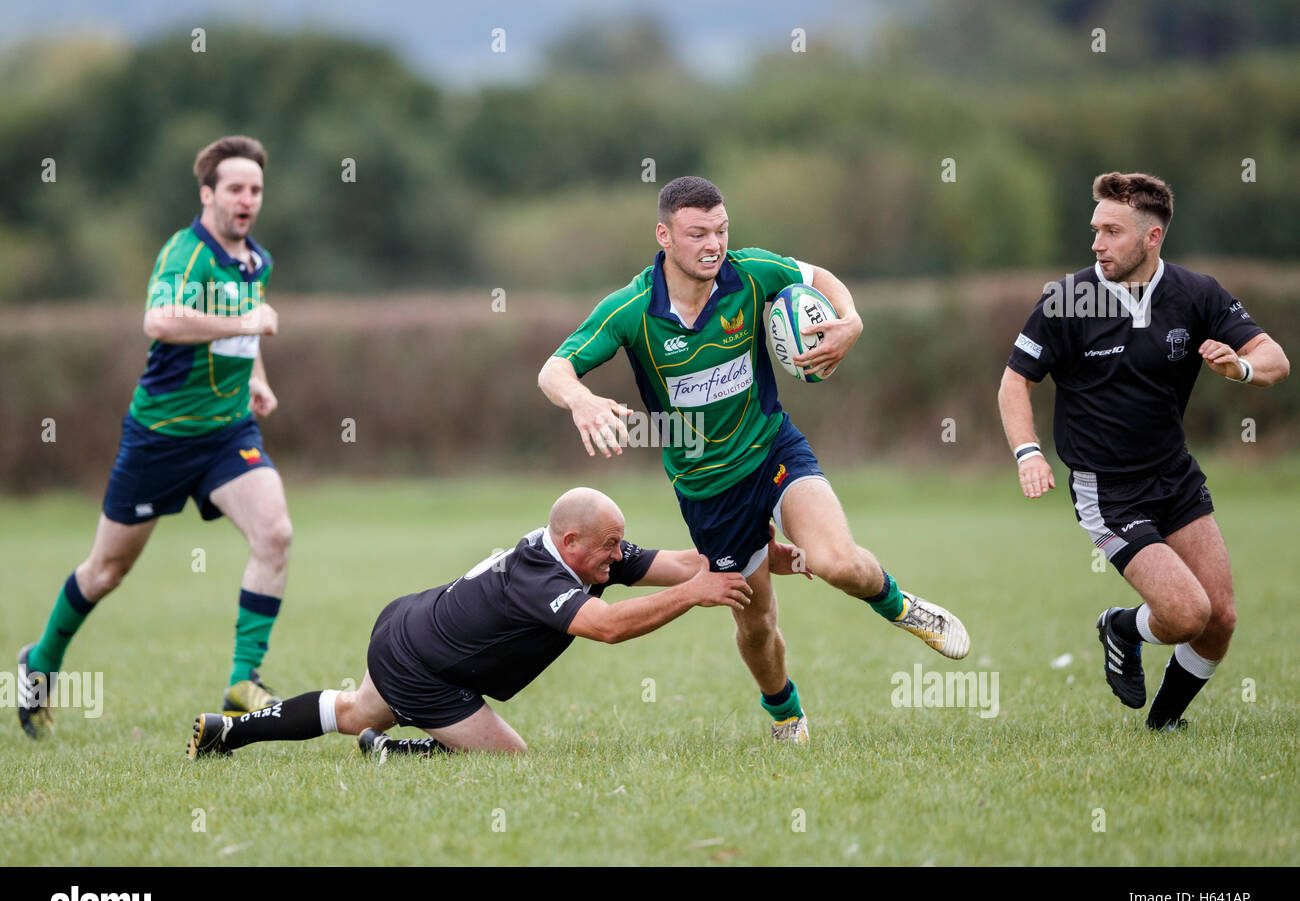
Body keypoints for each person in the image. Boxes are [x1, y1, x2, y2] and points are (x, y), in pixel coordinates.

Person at [537, 176, 970, 746]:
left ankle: (902, 606)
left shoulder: (752, 273)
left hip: (773, 449)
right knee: (757, 622)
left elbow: (819, 278)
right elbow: (554, 369)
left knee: (836, 561)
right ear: (664, 235)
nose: (712, 244)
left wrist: (852, 320)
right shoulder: (631, 309)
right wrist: (582, 399)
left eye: (720, 230)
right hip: (707, 489)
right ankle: (786, 716)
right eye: (697, 234)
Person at [18, 135, 291, 738]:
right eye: (235, 189)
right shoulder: (184, 255)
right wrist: (248, 321)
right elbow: (161, 321)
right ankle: (39, 664)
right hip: (160, 438)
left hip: (227, 434)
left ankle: (244, 681)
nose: (247, 199)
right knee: (106, 571)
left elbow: (239, 337)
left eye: (256, 190)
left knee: (274, 534)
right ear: (208, 194)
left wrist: (257, 379)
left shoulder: (256, 261)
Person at [998, 171, 1289, 730]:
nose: (1096, 243)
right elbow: (1015, 382)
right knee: (1185, 613)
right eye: (1094, 229)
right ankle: (1123, 627)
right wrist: (1028, 452)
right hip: (1108, 489)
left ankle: (1162, 725)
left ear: (1152, 237)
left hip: (1175, 476)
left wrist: (1242, 367)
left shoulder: (1196, 294)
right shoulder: (1067, 298)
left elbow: (1276, 359)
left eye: (1112, 231)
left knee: (1220, 618)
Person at [186, 487, 778, 758]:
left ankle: (226, 731)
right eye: (609, 545)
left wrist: (755, 555)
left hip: (407, 624)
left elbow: (678, 562)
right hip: (425, 666)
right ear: (571, 541)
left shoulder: (582, 551)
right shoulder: (543, 578)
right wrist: (695, 595)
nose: (618, 555)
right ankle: (393, 752)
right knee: (511, 761)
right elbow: (608, 628)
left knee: (351, 712)